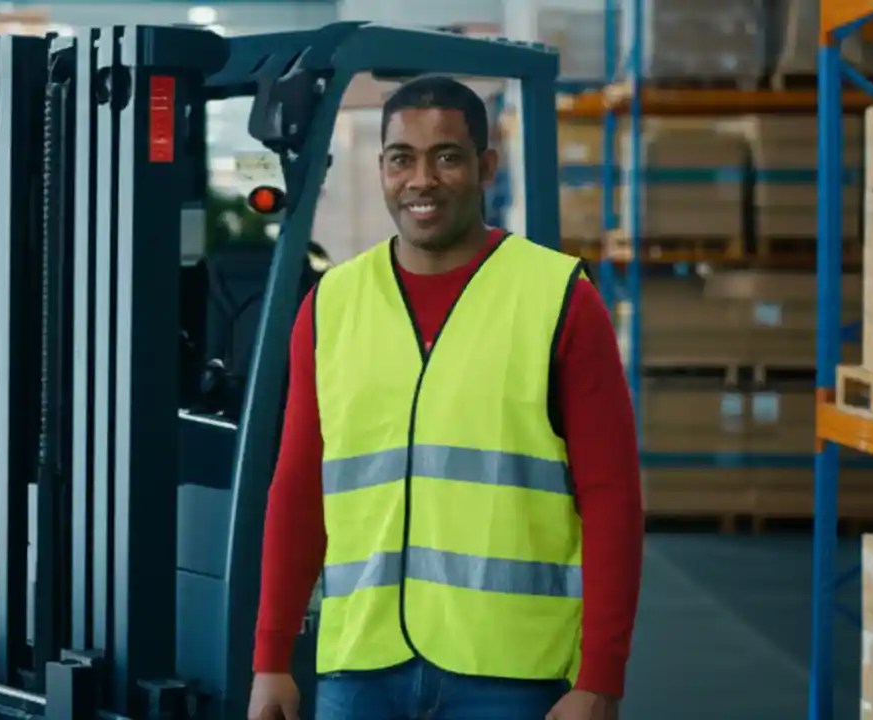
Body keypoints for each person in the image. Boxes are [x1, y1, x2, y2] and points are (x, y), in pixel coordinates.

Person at [246, 76, 644, 720]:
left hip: (509, 671)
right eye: (402, 158)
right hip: (360, 662)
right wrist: (270, 660)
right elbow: (297, 489)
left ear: (486, 166)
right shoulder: (332, 304)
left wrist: (601, 676)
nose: (421, 179)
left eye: (447, 156)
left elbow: (613, 499)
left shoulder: (560, 300)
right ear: (382, 169)